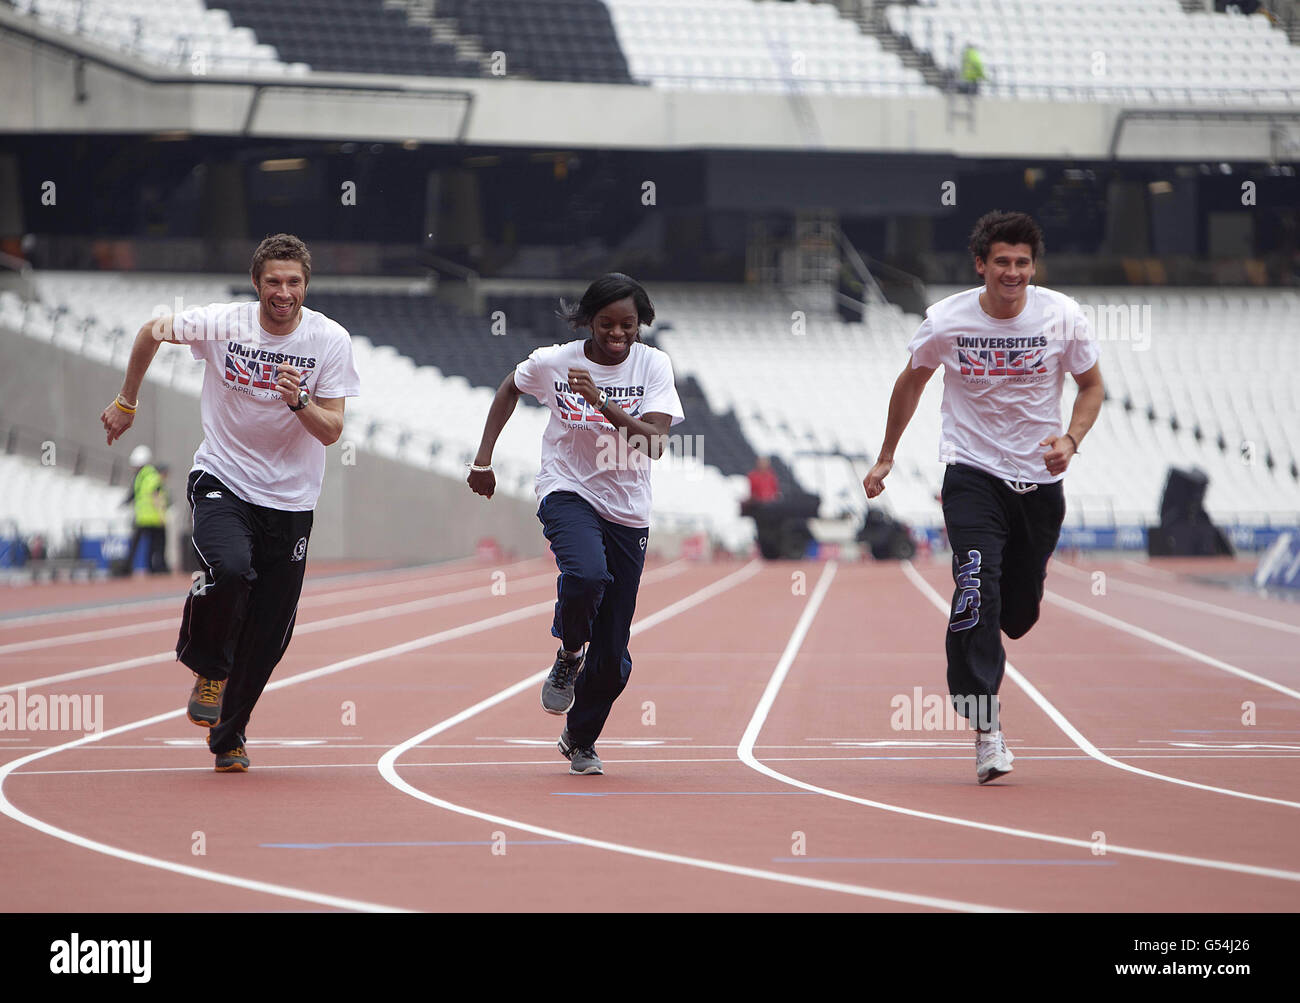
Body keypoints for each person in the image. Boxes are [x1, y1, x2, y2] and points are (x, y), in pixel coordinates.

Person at [100, 233, 360, 773]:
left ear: (306, 285)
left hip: (290, 501)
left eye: (293, 282)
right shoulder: (223, 324)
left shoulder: (330, 341)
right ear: (256, 283)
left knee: (269, 633)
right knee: (230, 568)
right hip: (223, 476)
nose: (283, 292)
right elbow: (152, 331)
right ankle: (209, 668)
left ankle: (230, 735)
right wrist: (127, 401)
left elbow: (332, 430)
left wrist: (300, 401)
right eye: (273, 281)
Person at [863, 210, 1104, 784]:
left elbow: (1092, 387)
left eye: (1023, 262)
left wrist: (1071, 440)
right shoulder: (947, 321)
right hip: (972, 475)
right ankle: (986, 729)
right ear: (981, 264)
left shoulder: (1062, 317)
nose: (1013, 272)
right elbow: (911, 381)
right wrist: (888, 454)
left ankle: (1012, 615)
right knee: (975, 588)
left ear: (1033, 266)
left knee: (1016, 614)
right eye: (1002, 262)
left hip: (1039, 484)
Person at [467, 273, 684, 776]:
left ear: (640, 324)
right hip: (568, 490)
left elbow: (653, 442)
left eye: (628, 325)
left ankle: (579, 738)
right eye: (607, 323)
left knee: (613, 661)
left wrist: (602, 404)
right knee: (587, 575)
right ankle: (568, 651)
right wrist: (483, 459)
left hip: (628, 509)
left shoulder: (653, 365)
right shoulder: (555, 362)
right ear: (589, 320)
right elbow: (508, 387)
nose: (617, 334)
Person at [123, 445, 169, 574]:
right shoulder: (152, 476)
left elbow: (134, 494)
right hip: (154, 517)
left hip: (142, 517)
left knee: (137, 544)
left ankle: (127, 567)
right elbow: (157, 496)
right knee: (158, 545)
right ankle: (157, 568)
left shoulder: (139, 477)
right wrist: (161, 515)